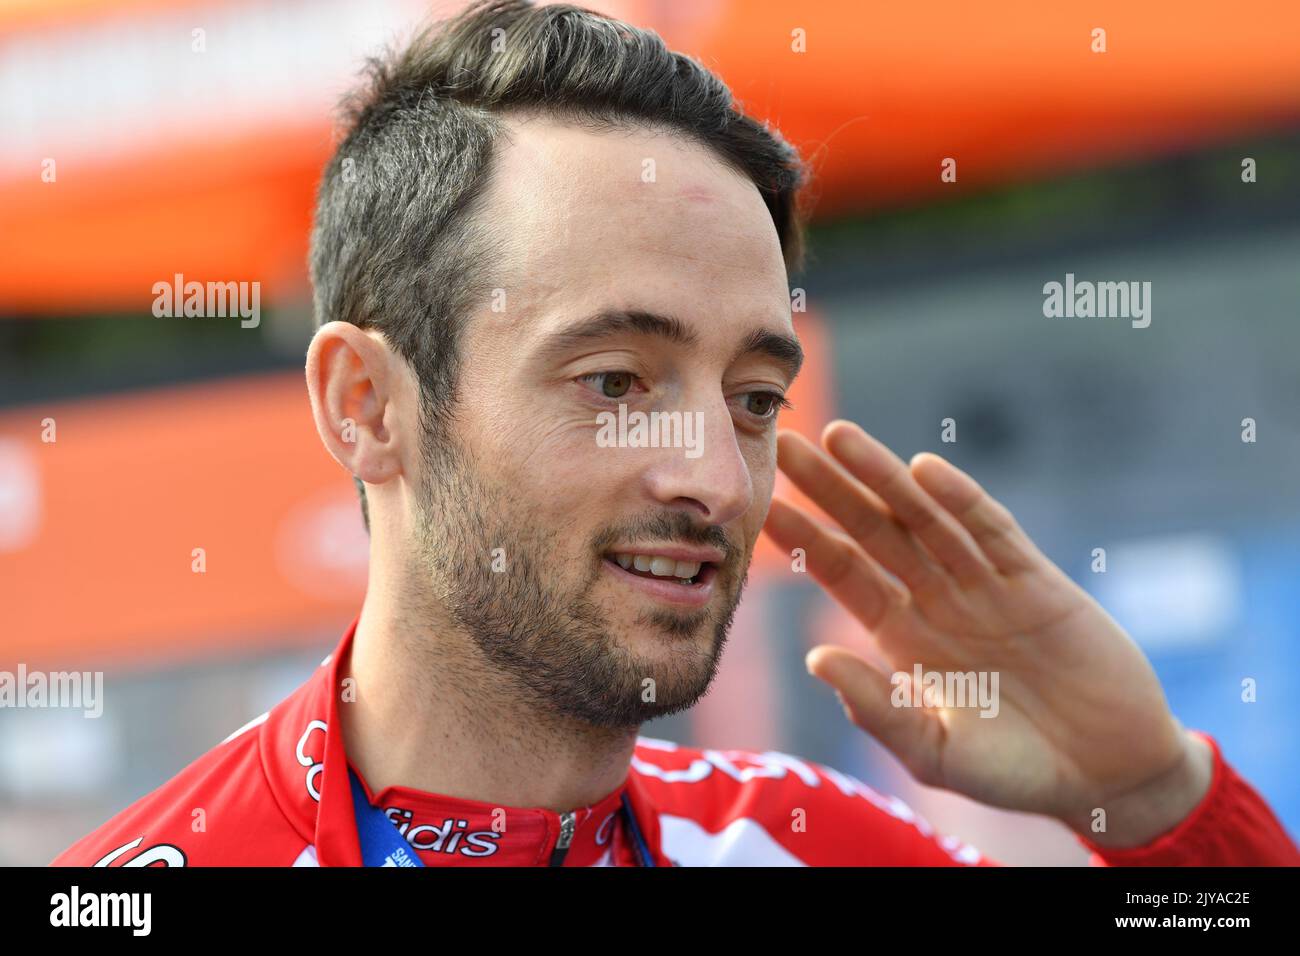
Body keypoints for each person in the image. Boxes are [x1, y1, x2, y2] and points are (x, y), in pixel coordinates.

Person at [53, 0, 1298, 867]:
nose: (711, 475)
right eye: (612, 380)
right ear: (367, 407)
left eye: (755, 397)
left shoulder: (816, 846)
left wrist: (1154, 803)